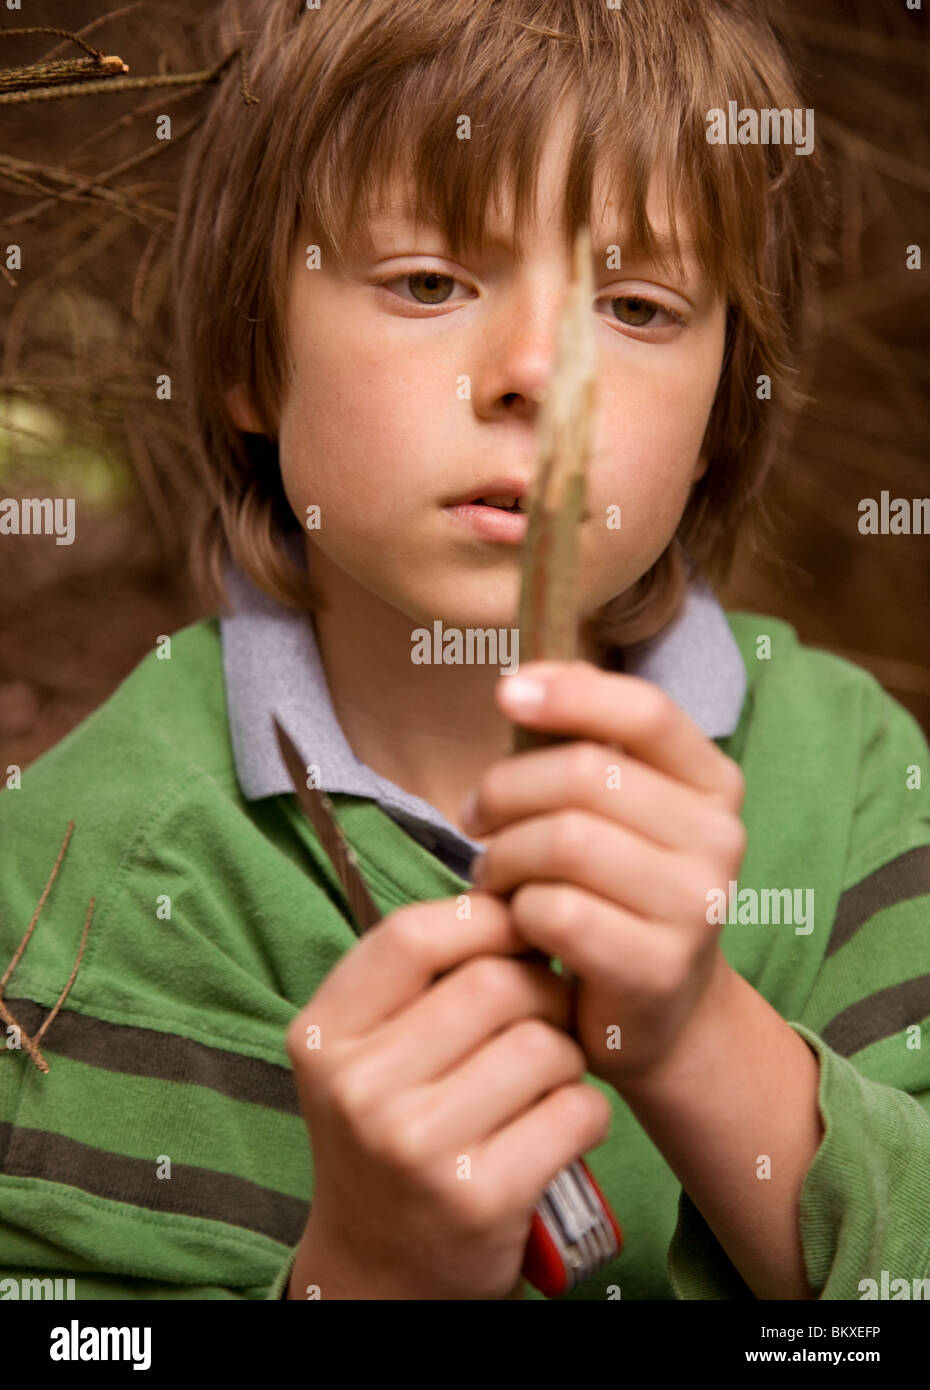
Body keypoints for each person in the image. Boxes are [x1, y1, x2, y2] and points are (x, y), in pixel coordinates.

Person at [1, 0, 928, 1302]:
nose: (537, 371)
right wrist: (370, 1270)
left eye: (641, 306)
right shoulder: (82, 869)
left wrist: (694, 1035)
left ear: (726, 407)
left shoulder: (845, 779)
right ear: (252, 356)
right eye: (430, 282)